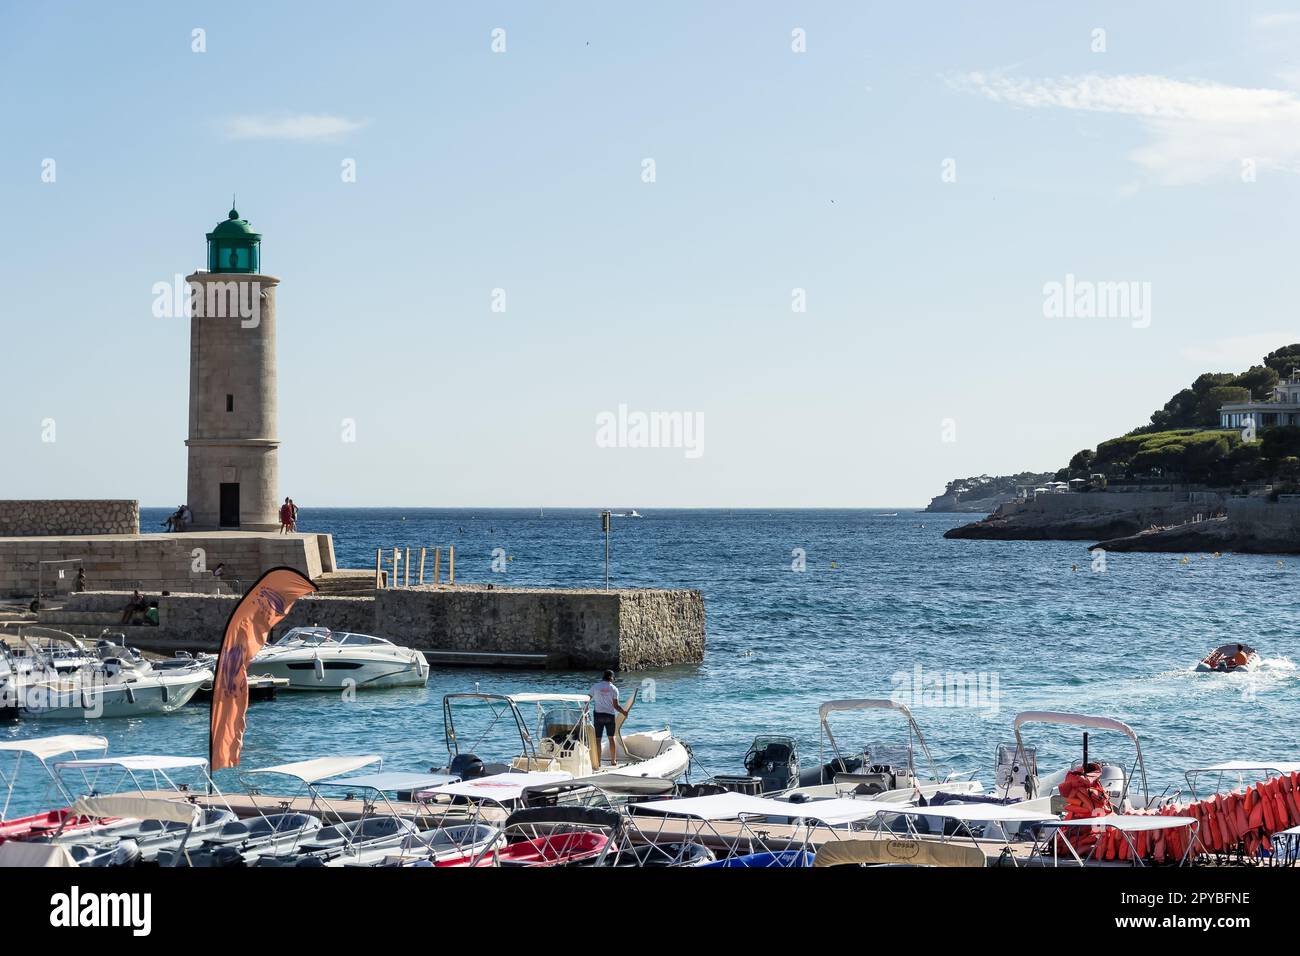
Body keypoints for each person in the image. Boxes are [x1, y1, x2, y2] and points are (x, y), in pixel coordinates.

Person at [589, 670, 629, 768]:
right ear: (612, 678)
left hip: (598, 715)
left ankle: (598, 762)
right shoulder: (614, 689)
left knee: (598, 740)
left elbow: (588, 698)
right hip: (609, 716)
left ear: (603, 677)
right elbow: (616, 706)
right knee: (611, 738)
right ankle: (613, 761)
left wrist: (585, 710)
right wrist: (624, 712)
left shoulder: (596, 686)